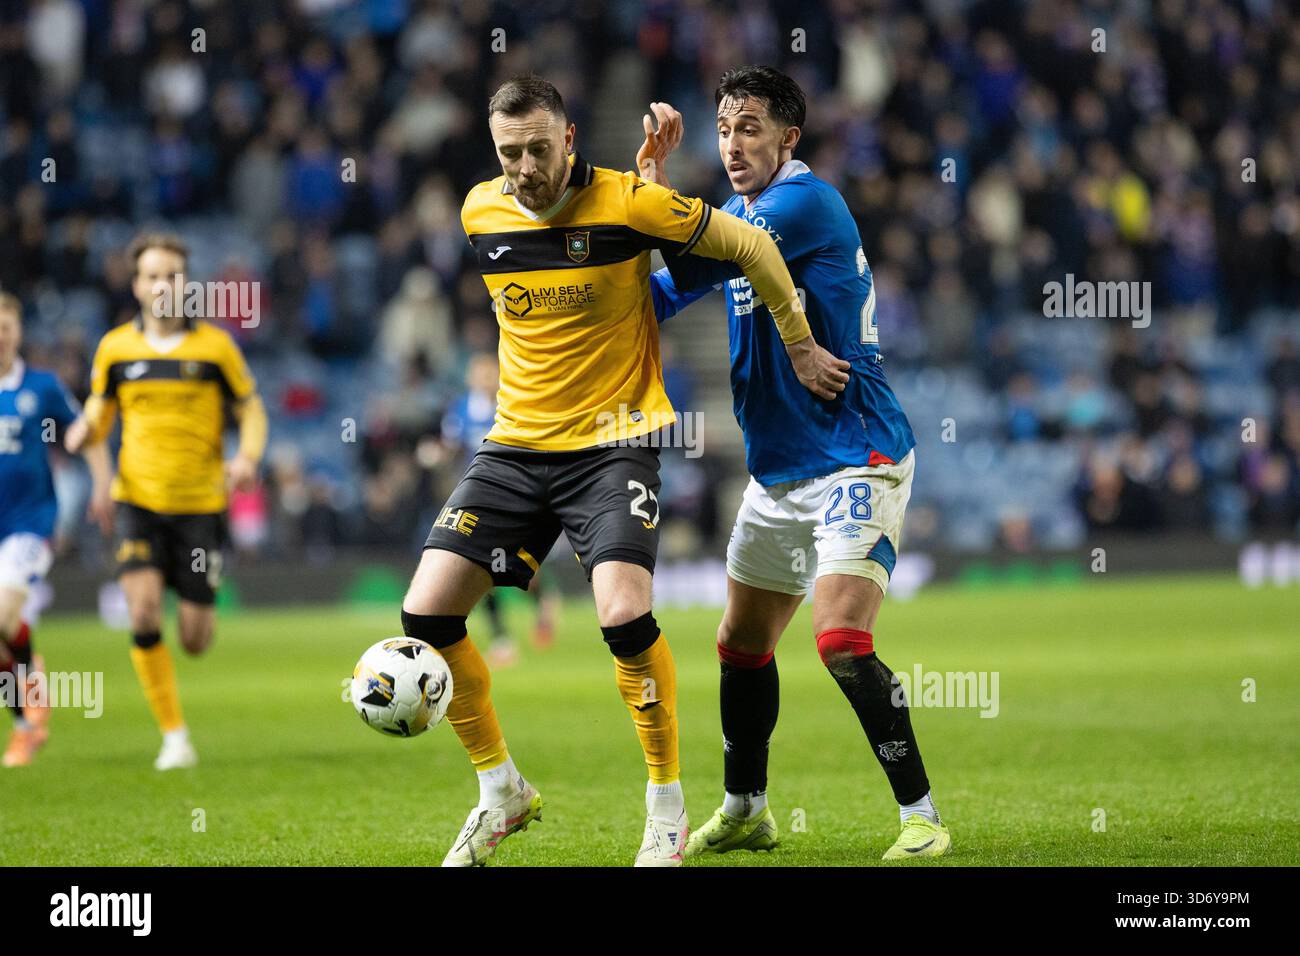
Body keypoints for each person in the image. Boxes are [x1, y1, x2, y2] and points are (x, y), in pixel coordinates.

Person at [398, 73, 848, 867]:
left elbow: (747, 243)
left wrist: (800, 339)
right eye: (511, 153)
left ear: (570, 139)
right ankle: (501, 790)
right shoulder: (478, 211)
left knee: (622, 617)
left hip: (613, 441)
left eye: (541, 148)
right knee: (426, 615)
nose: (527, 167)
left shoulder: (628, 203)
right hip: (514, 447)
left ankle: (666, 810)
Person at [643, 65, 951, 860]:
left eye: (750, 128)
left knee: (840, 640)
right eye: (724, 128)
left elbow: (706, 248)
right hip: (779, 468)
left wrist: (648, 195)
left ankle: (922, 816)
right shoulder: (744, 215)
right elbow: (663, 294)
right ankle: (746, 807)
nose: (734, 143)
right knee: (740, 645)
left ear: (789, 137)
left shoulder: (803, 203)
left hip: (857, 449)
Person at [66, 234, 268, 770]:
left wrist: (246, 458)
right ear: (136, 285)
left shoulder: (215, 348)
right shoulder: (114, 349)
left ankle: (195, 598)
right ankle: (174, 736)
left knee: (196, 639)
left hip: (201, 506)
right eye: (153, 275)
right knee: (144, 608)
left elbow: (251, 410)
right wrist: (84, 434)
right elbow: (98, 413)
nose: (163, 285)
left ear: (187, 284)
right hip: (139, 500)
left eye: (173, 275)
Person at [0, 292, 112, 766]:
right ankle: (27, 714)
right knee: (5, 631)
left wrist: (102, 486)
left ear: (19, 330)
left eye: (5, 324)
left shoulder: (41, 387)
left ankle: (26, 715)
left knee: (1, 618)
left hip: (29, 522)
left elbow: (84, 430)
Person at [440, 352, 560, 667]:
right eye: (478, 374)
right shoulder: (461, 410)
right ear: (470, 378)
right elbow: (452, 449)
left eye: (489, 373)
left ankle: (542, 601)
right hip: (478, 497)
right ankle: (502, 638)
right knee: (479, 568)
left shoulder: (512, 403)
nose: (484, 379)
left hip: (516, 494)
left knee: (518, 571)